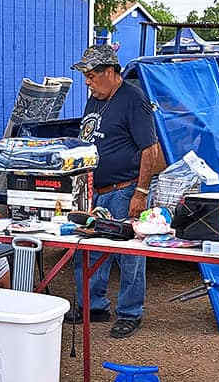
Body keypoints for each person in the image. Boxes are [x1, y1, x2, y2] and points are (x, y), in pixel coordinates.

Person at [69, 45, 165, 339]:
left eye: (92, 75)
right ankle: (93, 305)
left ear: (110, 72)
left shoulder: (133, 100)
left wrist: (140, 192)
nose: (87, 81)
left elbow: (150, 150)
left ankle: (130, 313)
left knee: (129, 252)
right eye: (85, 75)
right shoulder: (95, 100)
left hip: (124, 191)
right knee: (88, 248)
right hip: (95, 190)